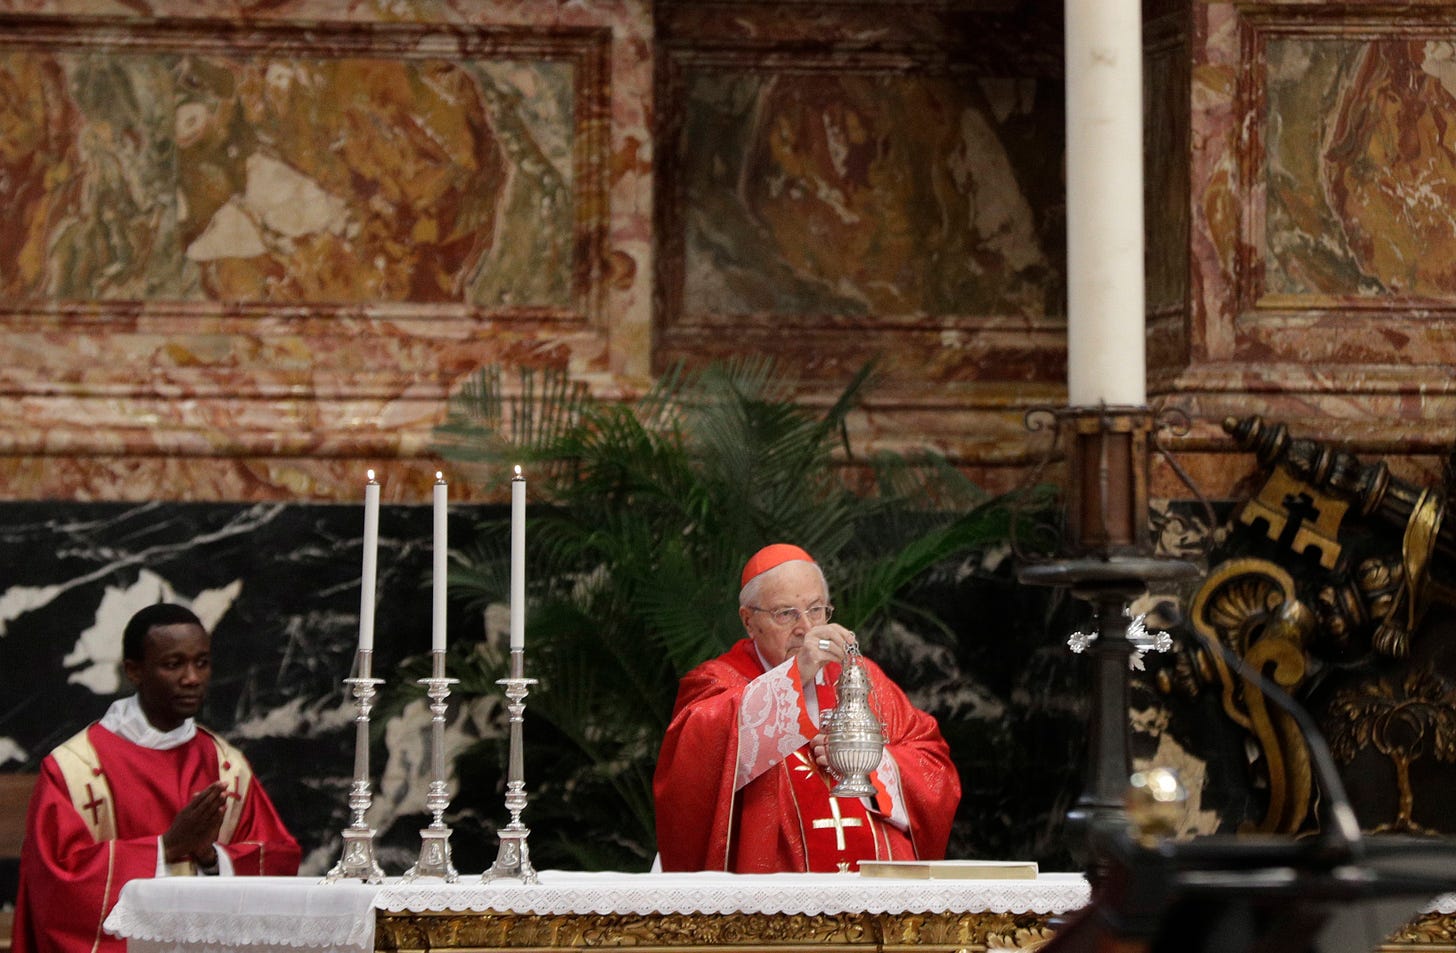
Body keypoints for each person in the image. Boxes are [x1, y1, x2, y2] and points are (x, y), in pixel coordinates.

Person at [11, 603, 301, 953]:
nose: (192, 677)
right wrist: (167, 849)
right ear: (134, 671)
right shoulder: (74, 769)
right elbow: (54, 885)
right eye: (173, 664)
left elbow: (276, 859)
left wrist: (212, 858)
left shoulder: (227, 767)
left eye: (202, 662)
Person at [654, 543, 961, 872]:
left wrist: (870, 763)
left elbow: (933, 767)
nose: (806, 628)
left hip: (876, 900)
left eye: (816, 610)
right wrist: (794, 675)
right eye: (786, 614)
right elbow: (692, 770)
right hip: (771, 907)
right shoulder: (718, 682)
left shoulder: (862, 677)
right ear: (748, 621)